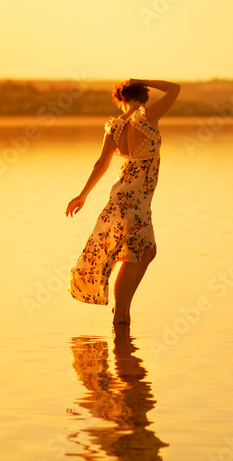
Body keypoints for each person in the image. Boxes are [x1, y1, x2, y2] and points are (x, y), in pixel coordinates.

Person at [66, 78, 180, 326]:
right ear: (144, 97)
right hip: (135, 198)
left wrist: (82, 195)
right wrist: (145, 80)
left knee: (148, 252)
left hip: (125, 194)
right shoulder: (147, 117)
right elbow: (175, 89)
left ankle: (122, 309)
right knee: (133, 255)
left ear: (120, 99)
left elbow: (101, 164)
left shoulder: (115, 125)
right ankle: (121, 315)